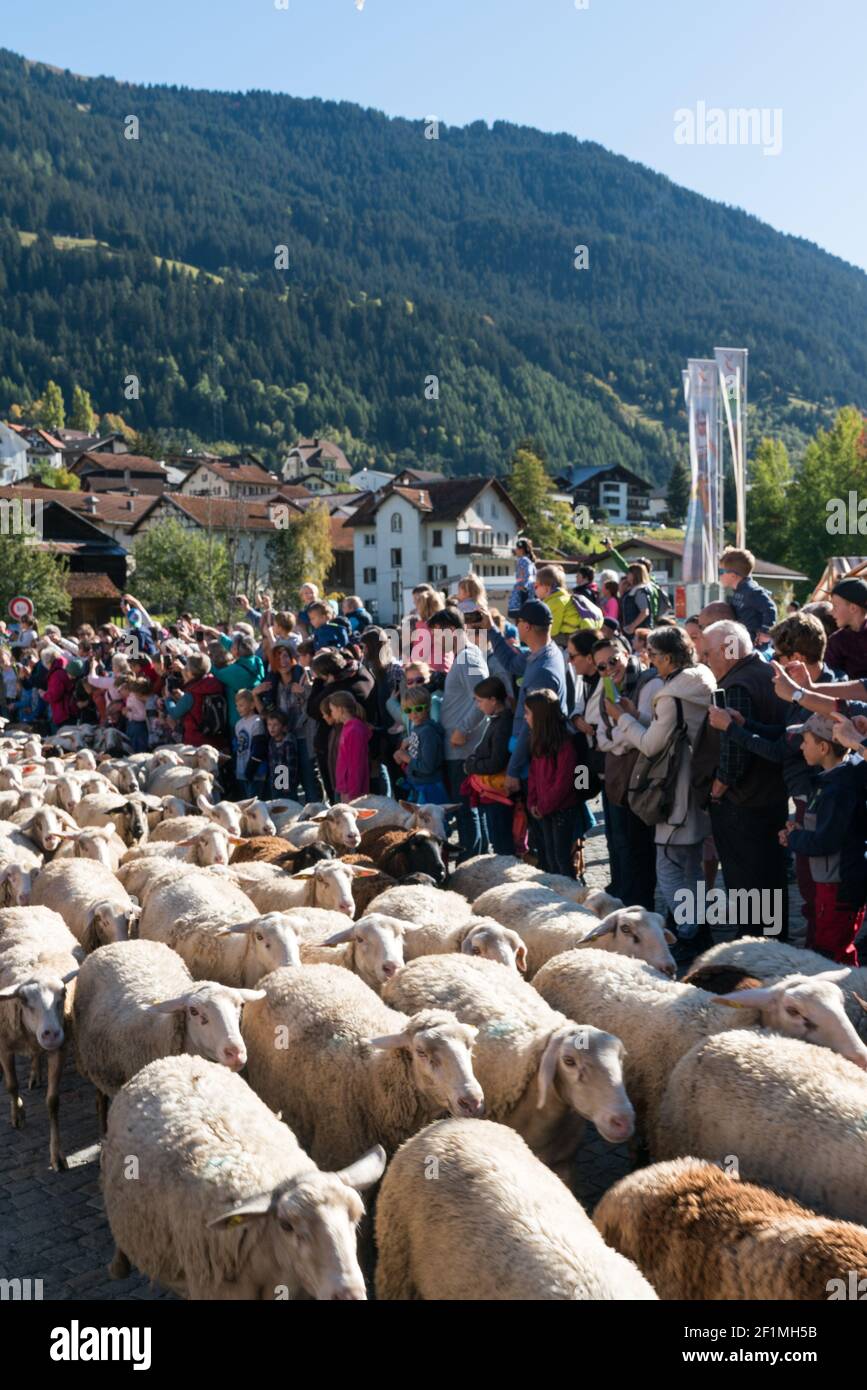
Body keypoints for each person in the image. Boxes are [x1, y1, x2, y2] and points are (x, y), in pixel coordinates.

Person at [605, 625, 714, 962]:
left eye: (652, 655)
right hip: (696, 784)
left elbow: (652, 745)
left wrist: (623, 718)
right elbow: (668, 731)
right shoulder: (700, 680)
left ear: (667, 658)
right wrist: (636, 714)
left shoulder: (672, 695)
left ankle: (687, 932)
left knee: (668, 868)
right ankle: (698, 927)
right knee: (691, 867)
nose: (648, 660)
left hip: (673, 792)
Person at [691, 619, 790, 941]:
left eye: (707, 654)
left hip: (743, 804)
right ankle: (772, 945)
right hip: (771, 797)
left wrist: (719, 788)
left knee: (748, 884)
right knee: (770, 880)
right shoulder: (766, 674)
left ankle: (755, 950)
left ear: (728, 648)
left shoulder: (737, 685)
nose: (705, 661)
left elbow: (735, 751)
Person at [781, 713, 867, 964]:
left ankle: (850, 1000)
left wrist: (794, 838)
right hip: (836, 882)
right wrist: (800, 830)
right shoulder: (836, 778)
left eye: (805, 741)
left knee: (833, 954)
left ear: (823, 747)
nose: (800, 746)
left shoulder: (837, 788)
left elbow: (826, 842)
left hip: (838, 886)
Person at [586, 634, 661, 908]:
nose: (609, 669)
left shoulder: (649, 683)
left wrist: (621, 729)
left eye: (613, 660)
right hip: (620, 781)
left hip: (645, 782)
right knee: (622, 846)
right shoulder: (608, 687)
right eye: (602, 666)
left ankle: (642, 910)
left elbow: (640, 735)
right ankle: (627, 903)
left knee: (640, 851)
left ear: (627, 654)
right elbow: (602, 735)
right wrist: (622, 733)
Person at [427, 608, 489, 860]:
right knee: (468, 810)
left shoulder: (469, 659)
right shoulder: (463, 657)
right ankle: (477, 859)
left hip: (463, 749)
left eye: (436, 635)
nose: (434, 642)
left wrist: (462, 729)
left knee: (466, 811)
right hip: (458, 748)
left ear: (450, 630)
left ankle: (471, 862)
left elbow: (484, 698)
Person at [525, 689, 579, 877]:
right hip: (544, 809)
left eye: (527, 713)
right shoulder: (539, 740)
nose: (525, 717)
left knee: (562, 857)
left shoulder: (564, 743)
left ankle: (570, 897)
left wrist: (544, 805)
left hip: (561, 810)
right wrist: (532, 802)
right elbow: (533, 775)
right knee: (550, 855)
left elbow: (563, 782)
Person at [463, 675, 515, 854]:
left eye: (479, 701)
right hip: (493, 795)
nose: (478, 705)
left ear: (493, 700)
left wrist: (471, 765)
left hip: (498, 795)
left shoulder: (503, 723)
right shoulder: (497, 720)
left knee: (503, 844)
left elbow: (496, 762)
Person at [394, 685, 448, 804]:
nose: (413, 714)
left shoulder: (428, 732)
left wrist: (406, 758)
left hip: (430, 788)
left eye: (418, 709)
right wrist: (402, 755)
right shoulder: (418, 728)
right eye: (408, 710)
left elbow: (427, 767)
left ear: (428, 707)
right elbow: (418, 755)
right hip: (418, 784)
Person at [162, 653, 228, 749]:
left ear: (190, 673)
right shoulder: (216, 684)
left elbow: (174, 713)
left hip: (196, 743)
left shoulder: (192, 693)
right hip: (217, 740)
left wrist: (168, 699)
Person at [718, 547, 777, 643]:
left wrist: (765, 632)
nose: (719, 575)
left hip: (755, 645)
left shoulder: (752, 591)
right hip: (743, 641)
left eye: (720, 572)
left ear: (733, 575)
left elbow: (770, 608)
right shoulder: (739, 590)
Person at [534, 564, 599, 646]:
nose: (534, 588)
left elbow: (553, 630)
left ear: (547, 588)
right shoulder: (563, 598)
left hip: (575, 636)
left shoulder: (555, 602)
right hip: (582, 633)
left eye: (536, 585)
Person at [326, 691, 372, 802]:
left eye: (332, 710)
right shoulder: (348, 727)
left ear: (340, 709)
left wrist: (353, 794)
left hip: (351, 791)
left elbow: (356, 764)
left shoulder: (354, 730)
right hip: (346, 787)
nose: (331, 714)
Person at [824, 577, 867, 679]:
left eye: (835, 606)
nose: (831, 612)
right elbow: (832, 679)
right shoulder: (837, 641)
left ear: (853, 608)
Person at [233, 689, 268, 797]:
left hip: (255, 771)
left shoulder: (257, 722)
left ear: (252, 705)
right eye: (237, 706)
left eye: (241, 705)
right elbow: (237, 746)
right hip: (241, 770)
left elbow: (259, 748)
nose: (238, 708)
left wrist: (251, 768)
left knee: (254, 802)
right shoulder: (238, 724)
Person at [265, 709, 298, 798]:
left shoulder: (288, 742)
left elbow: (291, 765)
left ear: (283, 727)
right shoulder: (271, 741)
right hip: (275, 782)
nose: (271, 728)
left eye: (275, 725)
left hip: (286, 786)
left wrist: (287, 784)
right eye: (269, 725)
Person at [118, 676, 152, 753]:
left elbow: (142, 715)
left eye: (120, 690)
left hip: (138, 728)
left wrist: (128, 714)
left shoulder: (134, 698)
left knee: (139, 751)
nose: (119, 692)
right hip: (133, 725)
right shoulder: (131, 697)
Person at [507, 538, 537, 617]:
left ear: (522, 550)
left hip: (521, 597)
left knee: (520, 620)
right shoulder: (530, 562)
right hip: (530, 595)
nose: (515, 550)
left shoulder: (523, 560)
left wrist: (522, 588)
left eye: (517, 548)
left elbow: (525, 578)